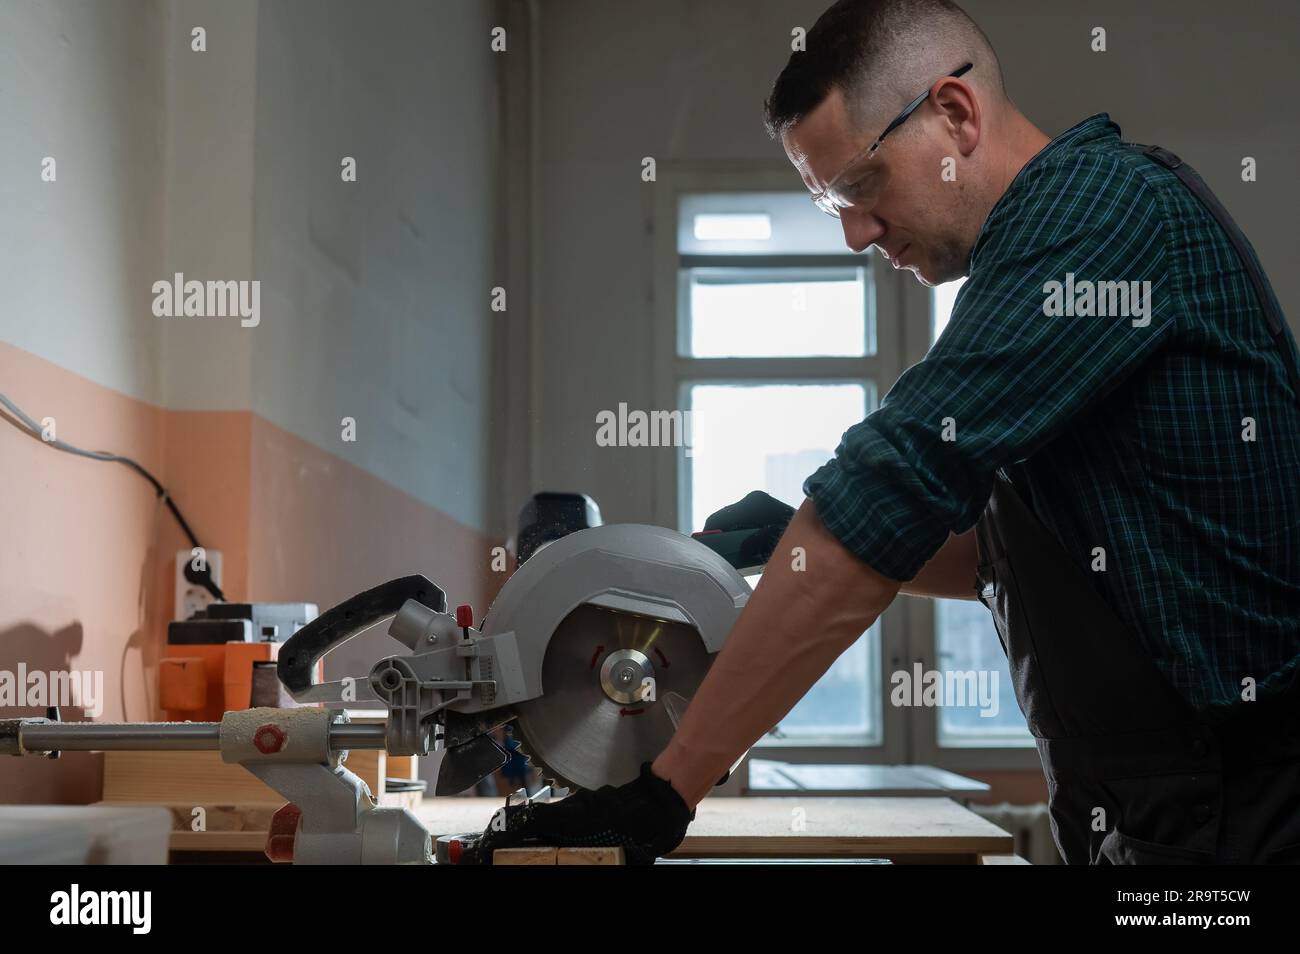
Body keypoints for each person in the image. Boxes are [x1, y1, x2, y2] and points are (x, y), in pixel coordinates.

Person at [469, 0, 1300, 865]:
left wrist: (661, 794)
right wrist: (791, 531)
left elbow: (892, 487)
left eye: (861, 188)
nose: (856, 234)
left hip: (1250, 814)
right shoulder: (1045, 260)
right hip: (1160, 812)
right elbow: (1012, 554)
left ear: (955, 113)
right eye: (832, 204)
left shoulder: (1102, 214)